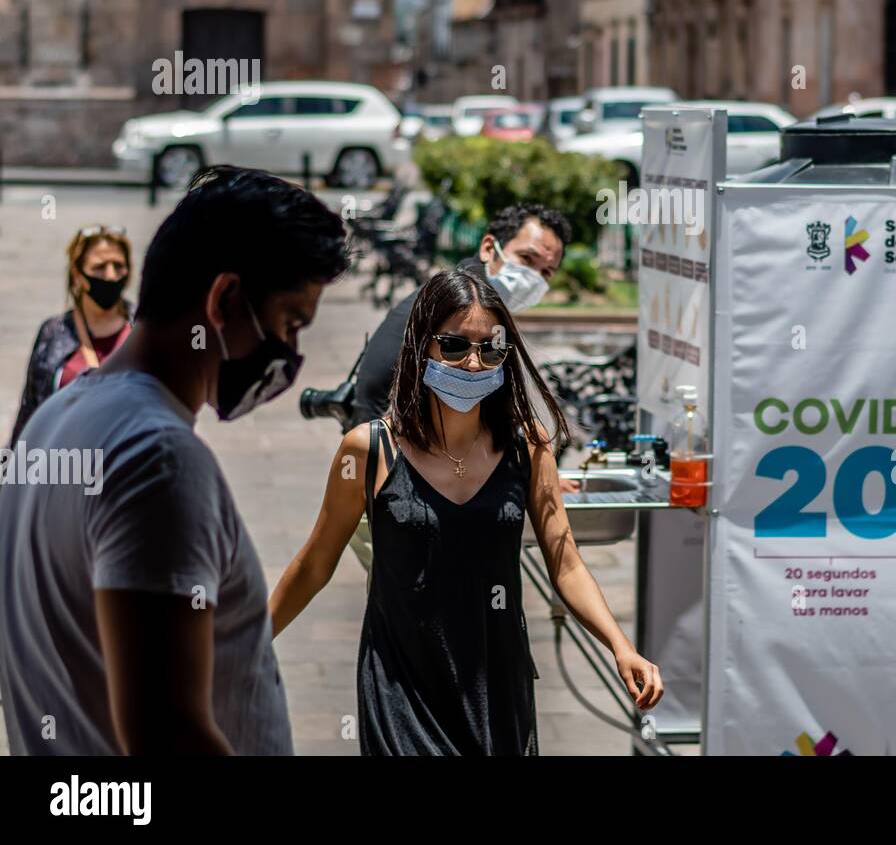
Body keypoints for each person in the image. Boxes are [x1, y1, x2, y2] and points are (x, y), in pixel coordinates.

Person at [0, 167, 350, 755]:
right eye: (289, 322)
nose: (290, 355)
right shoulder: (158, 459)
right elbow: (168, 734)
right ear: (225, 300)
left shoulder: (55, 419)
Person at [270, 268, 663, 755]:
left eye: (491, 348)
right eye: (455, 346)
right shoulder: (369, 449)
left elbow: (566, 562)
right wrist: (249, 641)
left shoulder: (527, 447)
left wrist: (621, 646)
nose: (474, 363)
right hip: (401, 684)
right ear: (422, 348)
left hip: (495, 682)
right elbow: (315, 563)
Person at [351, 202, 570, 428]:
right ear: (488, 248)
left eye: (546, 271)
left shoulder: (474, 292)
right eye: (526, 258)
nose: (533, 276)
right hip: (393, 429)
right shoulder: (468, 302)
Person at [10, 225, 134, 445]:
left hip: (130, 470)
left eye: (118, 266)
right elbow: (30, 411)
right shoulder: (54, 332)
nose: (111, 275)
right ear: (77, 274)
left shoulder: (144, 328)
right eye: (99, 267)